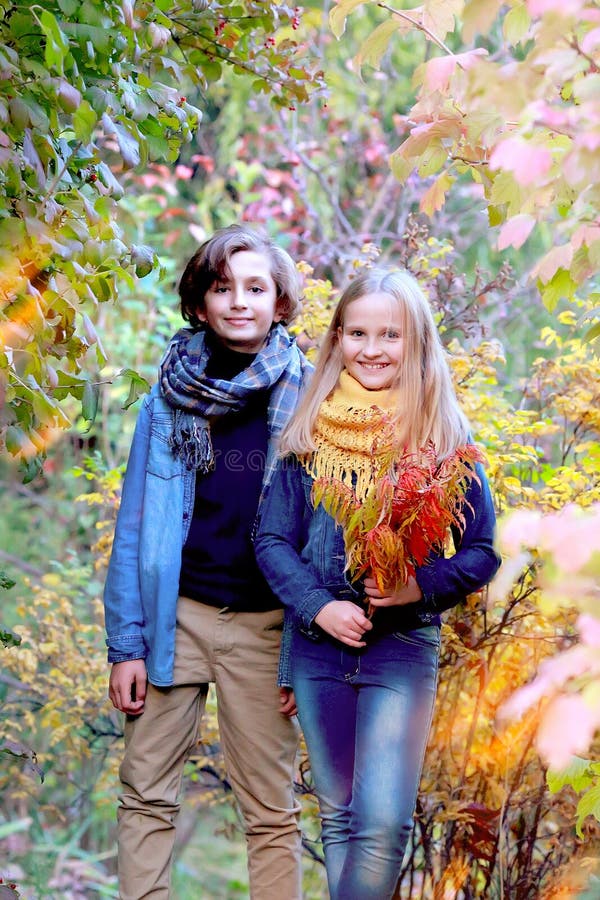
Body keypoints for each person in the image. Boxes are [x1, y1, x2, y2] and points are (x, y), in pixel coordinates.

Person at [254, 267, 501, 900]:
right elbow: (272, 541)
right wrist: (318, 608)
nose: (371, 348)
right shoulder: (308, 435)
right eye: (356, 332)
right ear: (336, 338)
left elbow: (481, 554)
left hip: (401, 650)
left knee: (383, 824)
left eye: (389, 334)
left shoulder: (445, 437)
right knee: (338, 819)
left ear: (416, 341)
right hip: (319, 650)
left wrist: (419, 586)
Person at [103, 224, 313, 900]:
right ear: (200, 303)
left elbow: (326, 536)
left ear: (280, 303)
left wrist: (301, 656)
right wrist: (125, 646)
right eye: (222, 288)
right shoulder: (166, 398)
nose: (239, 302)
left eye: (256, 288)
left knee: (272, 811)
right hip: (178, 615)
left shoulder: (312, 398)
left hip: (266, 627)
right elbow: (134, 527)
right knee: (145, 793)